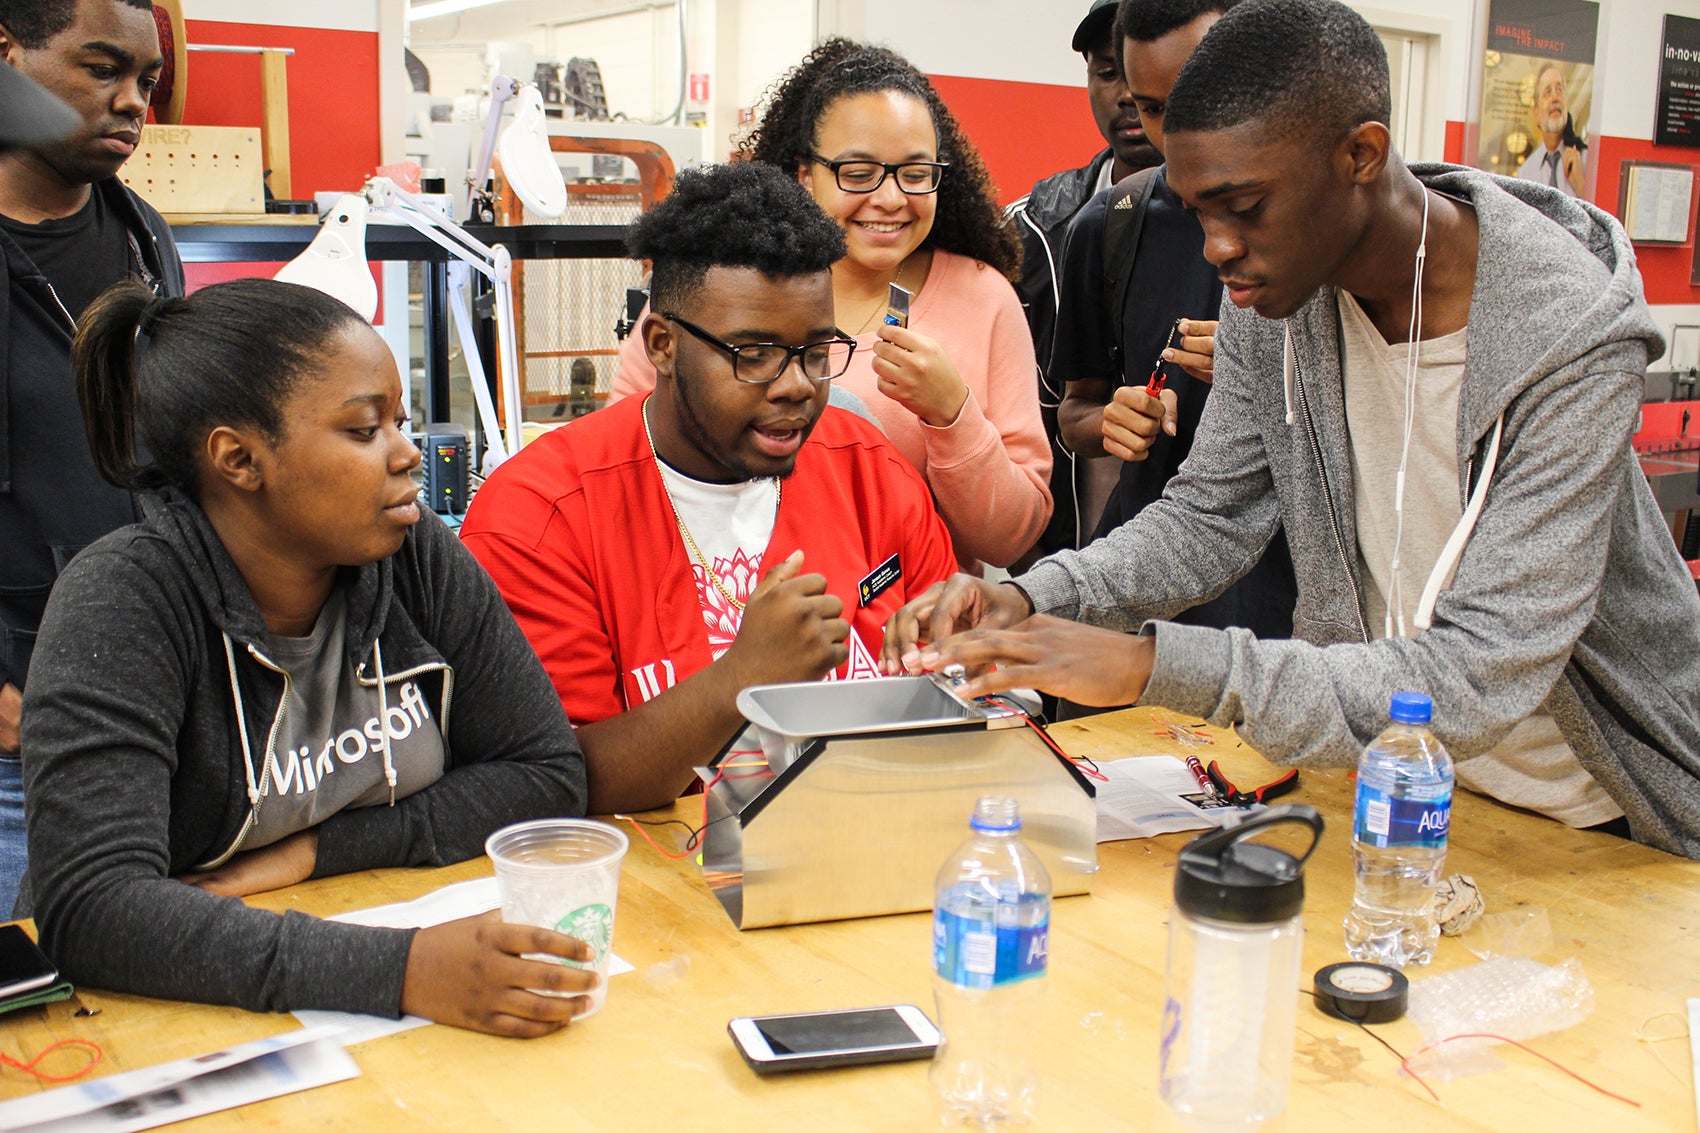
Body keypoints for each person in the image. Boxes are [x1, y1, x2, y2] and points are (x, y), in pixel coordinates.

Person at [884, 0, 1700, 857]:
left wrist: (1145, 664)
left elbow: (1475, 673)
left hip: (1601, 807)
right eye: (1199, 211)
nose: (1216, 248)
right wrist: (1030, 596)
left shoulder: (1568, 334)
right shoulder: (1277, 300)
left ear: (1361, 155)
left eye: (1242, 206)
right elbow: (1207, 517)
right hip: (1395, 783)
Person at [21, 279, 595, 1034]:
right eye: (364, 431)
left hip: (326, 959)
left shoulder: (415, 552)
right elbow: (93, 908)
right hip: (147, 1022)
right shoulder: (122, 599)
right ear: (239, 459)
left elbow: (547, 775)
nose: (406, 455)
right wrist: (402, 969)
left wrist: (313, 851)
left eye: (402, 420)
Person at [462, 162, 957, 814]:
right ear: (663, 344)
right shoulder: (541, 516)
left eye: (815, 352)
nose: (795, 386)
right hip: (655, 894)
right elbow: (555, 782)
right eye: (752, 353)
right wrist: (744, 676)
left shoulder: (868, 469)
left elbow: (954, 692)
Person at [608, 40, 1051, 573]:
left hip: (907, 630)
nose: (890, 199)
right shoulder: (715, 282)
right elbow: (623, 472)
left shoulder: (984, 299)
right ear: (804, 174)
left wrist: (951, 413)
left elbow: (1008, 541)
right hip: (715, 613)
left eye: (915, 174)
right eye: (858, 173)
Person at [0, 0, 184, 915]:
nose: (130, 102)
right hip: (14, 741)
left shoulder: (145, 239)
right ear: (7, 56)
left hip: (147, 715)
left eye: (146, 82)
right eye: (101, 69)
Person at [1050, 0, 1294, 642]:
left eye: (1196, 94)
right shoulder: (1111, 224)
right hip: (1153, 586)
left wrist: (1271, 364)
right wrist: (1113, 421)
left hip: (1296, 607)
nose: (1174, 127)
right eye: (1151, 105)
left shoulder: (1318, 227)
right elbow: (1076, 412)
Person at [1005, 0, 1161, 556]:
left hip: (1201, 551)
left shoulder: (1246, 231)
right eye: (1108, 70)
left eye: (1142, 70)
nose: (1129, 92)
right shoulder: (1028, 228)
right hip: (1064, 545)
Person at [1515, 62, 1584, 198]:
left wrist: (1581, 186)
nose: (1555, 98)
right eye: (1547, 92)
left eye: (1559, 90)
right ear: (1536, 113)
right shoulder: (1526, 172)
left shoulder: (1585, 159)